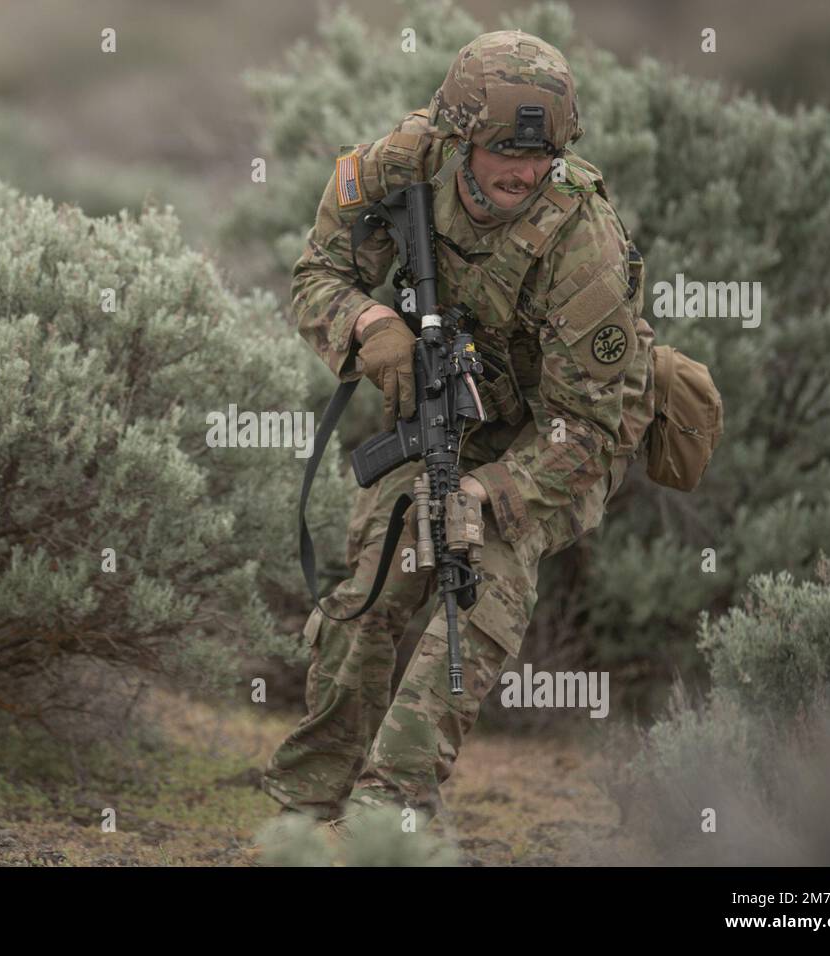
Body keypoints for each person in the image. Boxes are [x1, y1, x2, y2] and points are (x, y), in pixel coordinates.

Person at [261, 30, 656, 830]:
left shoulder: (586, 248)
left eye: (540, 159)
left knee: (471, 592)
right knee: (371, 587)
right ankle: (308, 793)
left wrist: (489, 490)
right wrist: (369, 321)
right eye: (502, 152)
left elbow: (586, 425)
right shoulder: (394, 167)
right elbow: (315, 276)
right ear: (457, 135)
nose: (523, 172)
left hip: (552, 445)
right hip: (440, 415)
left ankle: (392, 810)